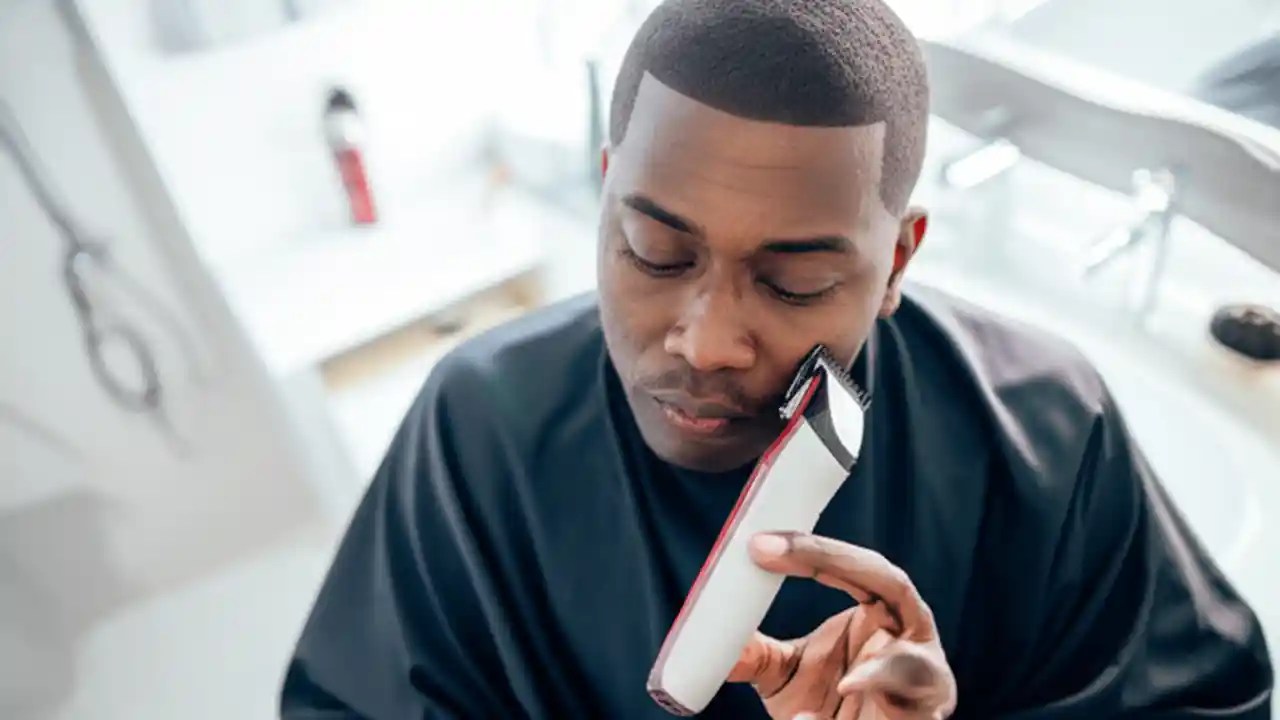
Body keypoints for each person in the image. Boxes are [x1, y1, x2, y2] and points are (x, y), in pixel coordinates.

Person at [280, 1, 1275, 717]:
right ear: (605, 191)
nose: (707, 341)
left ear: (897, 261)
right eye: (654, 252)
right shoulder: (478, 426)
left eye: (793, 282)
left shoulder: (1047, 429)